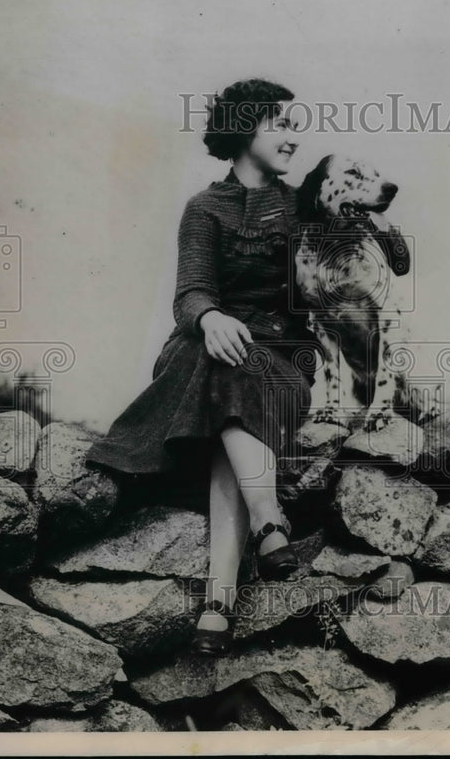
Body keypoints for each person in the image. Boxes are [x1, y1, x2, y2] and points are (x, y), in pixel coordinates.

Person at [85, 78, 320, 656]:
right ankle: (265, 530)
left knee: (235, 373)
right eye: (281, 124)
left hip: (283, 363)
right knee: (222, 359)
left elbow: (334, 286)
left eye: (296, 125)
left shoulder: (305, 207)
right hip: (206, 354)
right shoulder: (204, 207)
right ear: (246, 127)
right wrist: (209, 315)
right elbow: (190, 293)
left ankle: (226, 590)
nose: (294, 136)